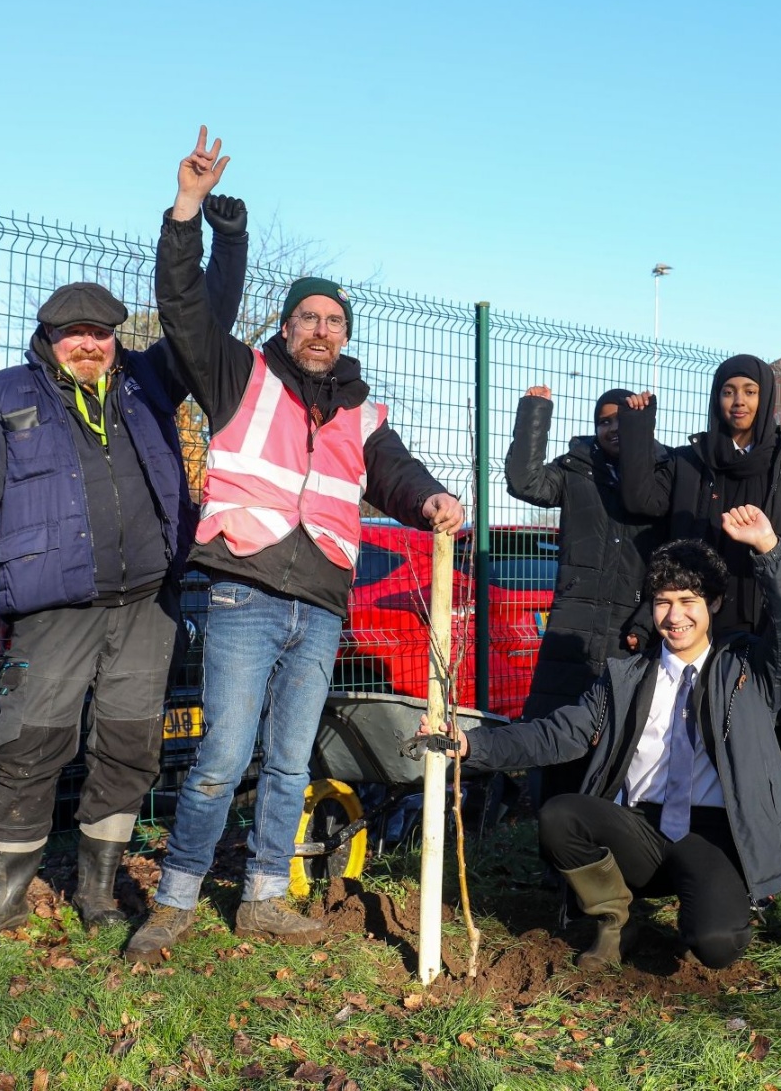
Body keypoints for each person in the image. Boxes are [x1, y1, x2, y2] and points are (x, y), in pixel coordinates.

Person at [126, 129, 464, 963]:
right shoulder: (238, 374)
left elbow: (395, 475)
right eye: (308, 316)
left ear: (345, 334)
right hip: (243, 588)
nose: (321, 329)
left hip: (319, 604)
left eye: (334, 320)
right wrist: (187, 212)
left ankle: (265, 897)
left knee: (287, 763)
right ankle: (174, 900)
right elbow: (183, 307)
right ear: (287, 325)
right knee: (221, 756)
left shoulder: (361, 411)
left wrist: (430, 498)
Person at [0, 196, 248, 949]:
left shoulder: (150, 382)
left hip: (147, 604)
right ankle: (4, 895)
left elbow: (202, 320)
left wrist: (226, 242)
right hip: (53, 607)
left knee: (128, 745)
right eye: (73, 333)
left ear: (115, 340)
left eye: (101, 333)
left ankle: (96, 889)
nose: (90, 343)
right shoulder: (8, 396)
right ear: (48, 339)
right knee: (27, 743)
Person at [421, 507, 781, 971]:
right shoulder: (625, 678)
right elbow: (557, 733)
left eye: (688, 601)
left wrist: (769, 550)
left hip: (712, 833)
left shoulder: (749, 670)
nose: (674, 616)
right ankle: (616, 920)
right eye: (663, 602)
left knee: (715, 944)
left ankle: (710, 904)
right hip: (639, 828)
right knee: (560, 815)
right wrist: (473, 744)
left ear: (713, 603)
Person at [617, 355, 781, 761]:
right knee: (694, 734)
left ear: (765, 399)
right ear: (716, 398)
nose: (739, 401)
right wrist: (636, 427)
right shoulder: (691, 460)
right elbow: (640, 499)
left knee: (761, 743)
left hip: (764, 622)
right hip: (702, 624)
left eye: (750, 391)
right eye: (728, 391)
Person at [504, 385, 668, 802]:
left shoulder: (664, 475)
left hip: (630, 633)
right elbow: (525, 482)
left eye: (621, 419)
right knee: (557, 739)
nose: (612, 428)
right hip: (572, 629)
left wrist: (647, 619)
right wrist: (535, 412)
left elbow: (673, 561)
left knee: (623, 743)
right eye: (603, 421)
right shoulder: (576, 470)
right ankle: (554, 830)